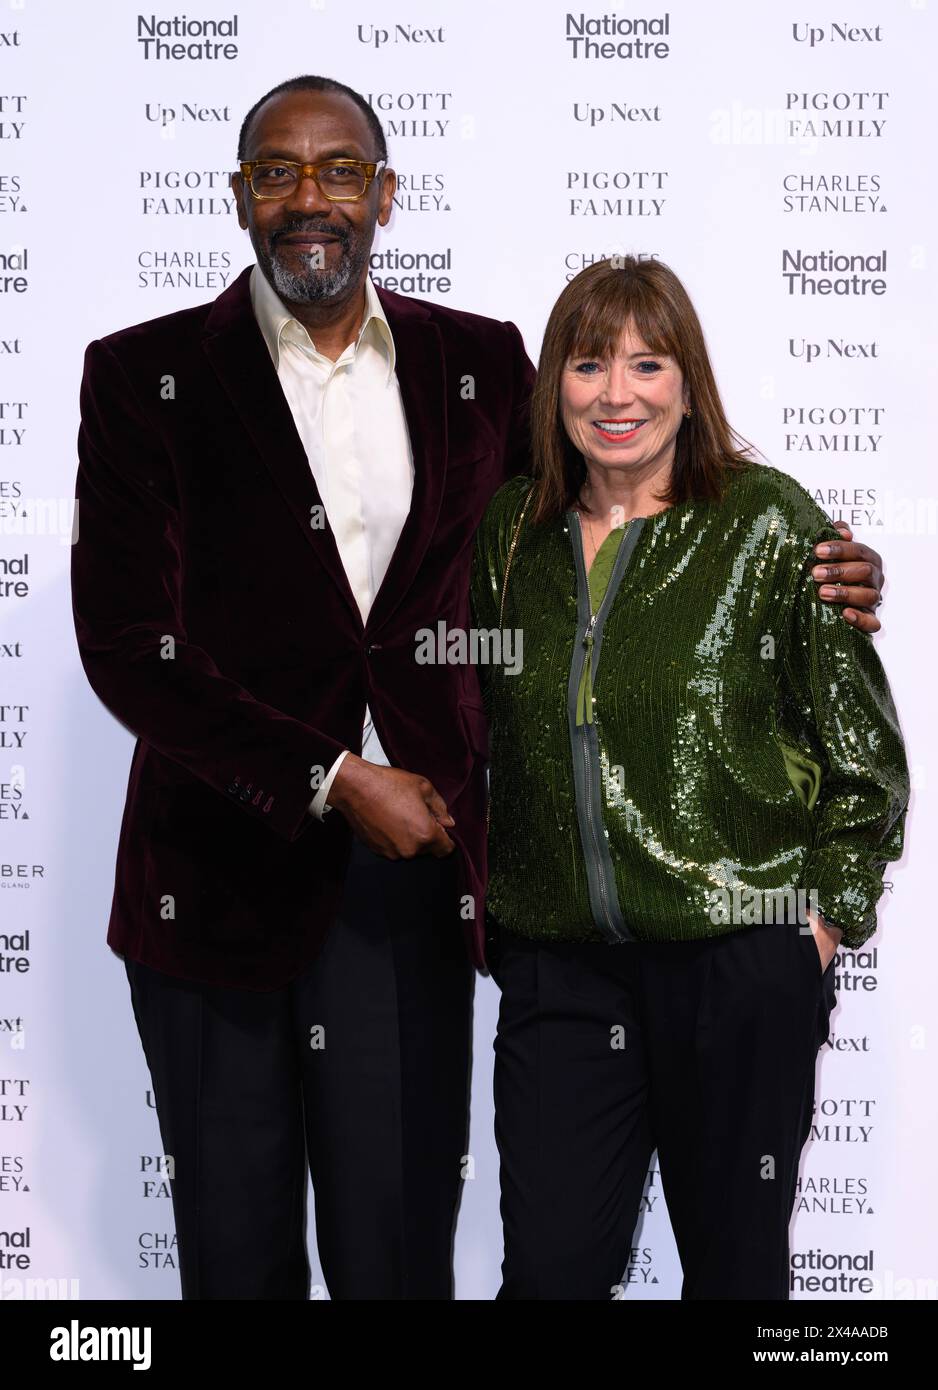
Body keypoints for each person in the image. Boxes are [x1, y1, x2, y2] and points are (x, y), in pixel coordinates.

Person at [70, 74, 535, 1300]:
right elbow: (127, 643)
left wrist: (783, 556)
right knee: (233, 1261)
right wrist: (328, 775)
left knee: (395, 1259)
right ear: (237, 200)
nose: (307, 198)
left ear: (384, 194)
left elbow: (587, 537)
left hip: (406, 888)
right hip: (211, 879)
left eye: (338, 170)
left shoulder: (479, 363)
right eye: (275, 172)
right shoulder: (143, 378)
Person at [471, 256, 909, 1300]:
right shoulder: (511, 534)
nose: (615, 394)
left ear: (686, 380)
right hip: (561, 972)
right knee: (547, 1274)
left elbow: (864, 757)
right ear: (553, 386)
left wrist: (816, 929)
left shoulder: (765, 522)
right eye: (587, 365)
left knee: (734, 1276)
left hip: (736, 961)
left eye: (645, 363)